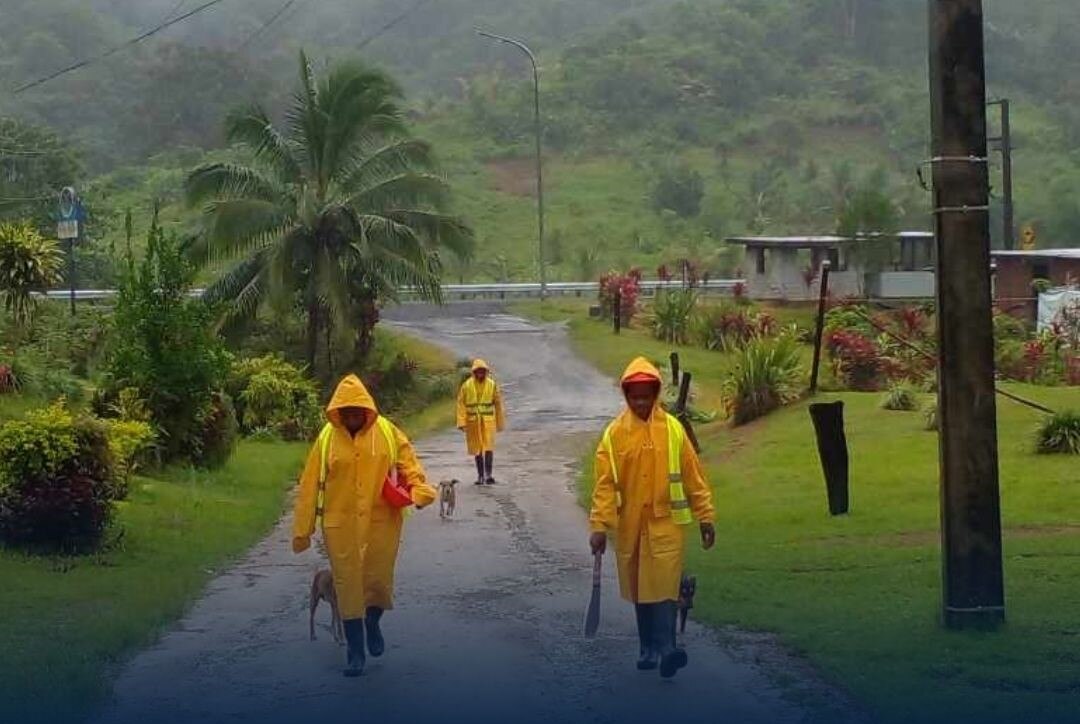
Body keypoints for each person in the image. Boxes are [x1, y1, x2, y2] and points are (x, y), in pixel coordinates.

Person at [292, 374, 436, 677]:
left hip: (381, 523)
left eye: (358, 410)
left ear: (367, 408)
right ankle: (355, 653)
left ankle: (373, 622)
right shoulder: (327, 439)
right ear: (339, 411)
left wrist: (419, 491)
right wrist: (302, 531)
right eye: (347, 411)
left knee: (378, 582)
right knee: (347, 588)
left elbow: (409, 465)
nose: (353, 415)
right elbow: (309, 486)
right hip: (340, 526)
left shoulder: (387, 432)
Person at [589, 357, 716, 679]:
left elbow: (693, 476)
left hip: (666, 523)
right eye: (635, 396)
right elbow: (604, 485)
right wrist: (599, 526)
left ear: (657, 394)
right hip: (631, 525)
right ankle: (647, 648)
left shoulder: (673, 430)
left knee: (665, 588)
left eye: (647, 395)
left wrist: (705, 517)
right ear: (626, 396)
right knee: (639, 589)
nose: (641, 402)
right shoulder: (614, 435)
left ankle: (669, 650)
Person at [456, 359, 506, 485]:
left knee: (488, 447)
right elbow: (461, 404)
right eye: (478, 372)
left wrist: (500, 422)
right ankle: (480, 475)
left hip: (488, 422)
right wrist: (461, 422)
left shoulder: (492, 385)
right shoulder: (467, 385)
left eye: (482, 372)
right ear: (474, 372)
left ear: (486, 372)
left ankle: (489, 475)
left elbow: (498, 404)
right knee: (477, 449)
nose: (480, 375)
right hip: (473, 422)